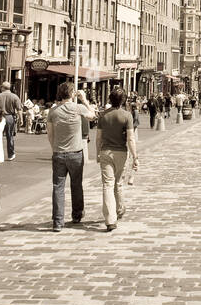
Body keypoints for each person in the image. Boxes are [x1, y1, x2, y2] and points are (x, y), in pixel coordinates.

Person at [46, 82, 96, 231]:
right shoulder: (77, 108)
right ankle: (77, 214)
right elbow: (93, 116)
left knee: (58, 187)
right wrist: (84, 100)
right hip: (76, 153)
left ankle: (58, 221)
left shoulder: (53, 111)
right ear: (72, 93)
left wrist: (54, 148)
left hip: (59, 153)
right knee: (76, 184)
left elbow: (50, 134)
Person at [96, 88, 139, 231]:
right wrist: (135, 156)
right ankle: (119, 209)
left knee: (107, 185)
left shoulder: (103, 115)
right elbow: (130, 138)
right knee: (118, 183)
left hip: (105, 152)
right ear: (124, 100)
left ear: (110, 99)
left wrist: (97, 153)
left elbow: (98, 138)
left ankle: (110, 219)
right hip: (121, 152)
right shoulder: (127, 116)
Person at [0, 82, 21, 161]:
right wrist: (21, 119)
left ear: (2, 87)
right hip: (9, 117)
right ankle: (11, 154)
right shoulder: (14, 96)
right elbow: (19, 109)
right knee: (10, 136)